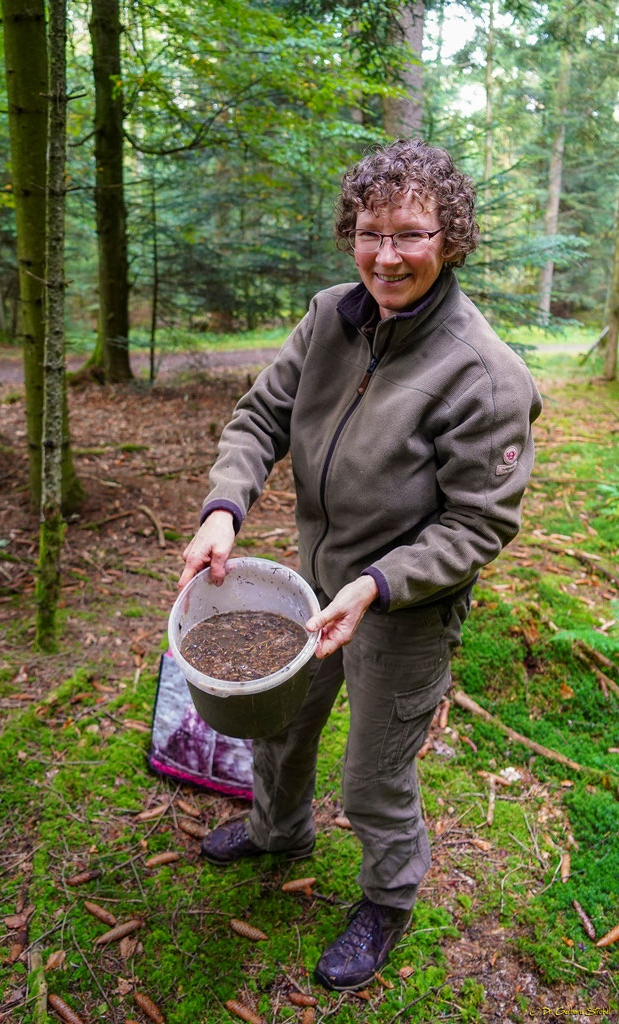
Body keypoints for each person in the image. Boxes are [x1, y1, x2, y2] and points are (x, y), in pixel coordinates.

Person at [177, 138, 542, 992]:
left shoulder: (484, 374)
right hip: (305, 584)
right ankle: (276, 829)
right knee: (278, 723)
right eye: (370, 232)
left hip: (402, 607)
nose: (387, 255)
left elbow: (480, 524)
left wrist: (379, 584)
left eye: (411, 233)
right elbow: (259, 416)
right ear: (351, 233)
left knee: (372, 771)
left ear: (449, 238)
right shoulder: (330, 315)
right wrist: (225, 509)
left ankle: (388, 896)